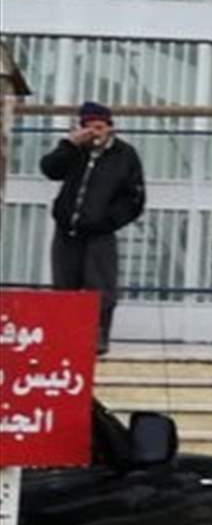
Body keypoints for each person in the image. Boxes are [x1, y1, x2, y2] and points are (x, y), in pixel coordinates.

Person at [41, 101, 145, 355]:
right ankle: (63, 335)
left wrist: (107, 221)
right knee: (65, 286)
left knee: (100, 286)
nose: (94, 133)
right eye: (88, 128)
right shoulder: (74, 151)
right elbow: (50, 170)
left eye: (99, 127)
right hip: (67, 231)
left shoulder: (125, 155)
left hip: (99, 232)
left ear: (109, 128)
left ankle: (98, 336)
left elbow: (134, 198)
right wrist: (69, 145)